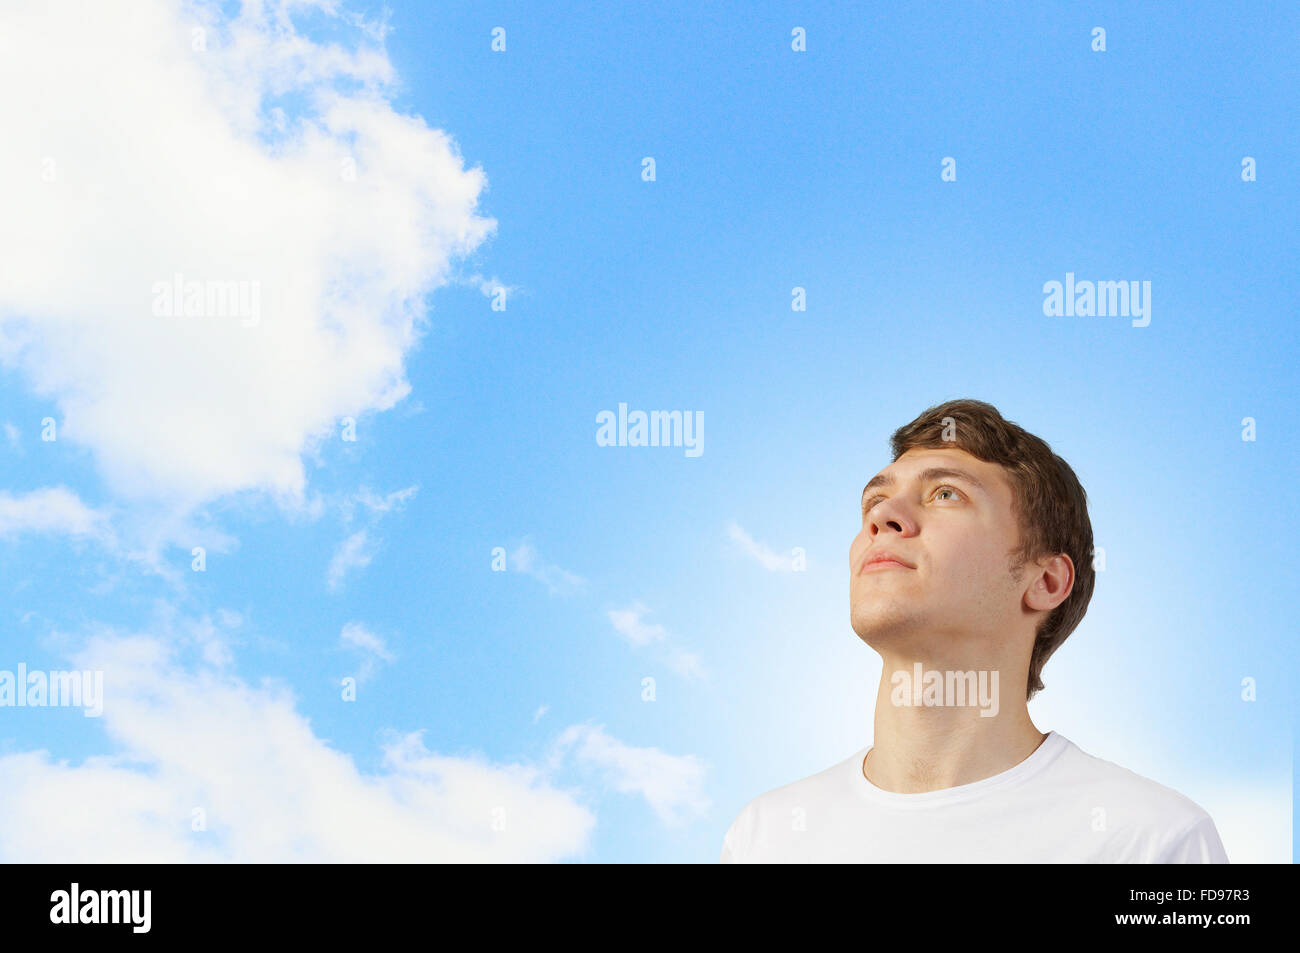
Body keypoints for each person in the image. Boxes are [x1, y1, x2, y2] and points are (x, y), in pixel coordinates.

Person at [720, 399, 1228, 863]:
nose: (883, 517)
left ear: (1046, 580)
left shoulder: (1154, 841)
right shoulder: (765, 837)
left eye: (946, 493)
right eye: (874, 502)